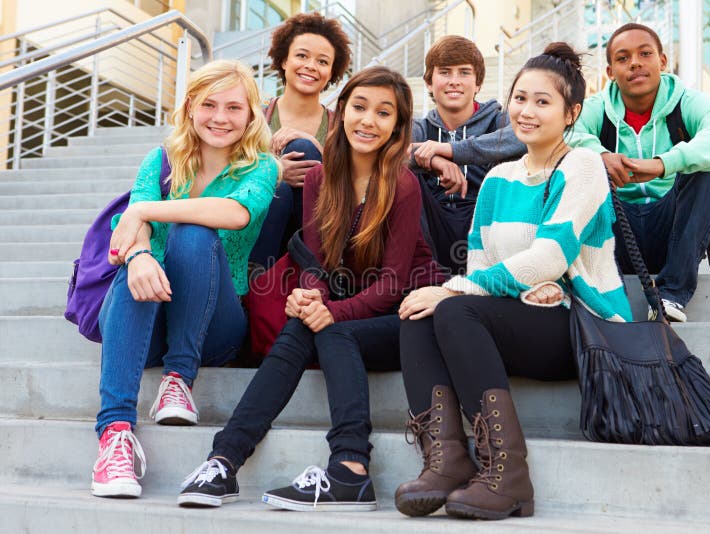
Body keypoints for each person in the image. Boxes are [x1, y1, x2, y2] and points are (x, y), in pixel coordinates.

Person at [178, 66, 445, 511]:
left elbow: (394, 283)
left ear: (398, 127)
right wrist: (310, 294)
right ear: (341, 113)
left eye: (384, 113)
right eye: (359, 107)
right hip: (346, 308)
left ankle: (351, 466)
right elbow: (316, 261)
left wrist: (333, 312)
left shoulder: (402, 183)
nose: (368, 121)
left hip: (405, 315)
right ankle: (224, 462)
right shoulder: (321, 179)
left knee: (329, 329)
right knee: (303, 324)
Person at [395, 43, 633, 521]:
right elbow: (484, 267)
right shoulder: (499, 178)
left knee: (453, 303)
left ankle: (508, 475)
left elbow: (550, 255)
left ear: (572, 113)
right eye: (520, 99)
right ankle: (446, 460)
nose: (526, 111)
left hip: (584, 327)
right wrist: (512, 288)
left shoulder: (582, 167)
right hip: (525, 315)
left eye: (543, 102)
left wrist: (458, 288)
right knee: (419, 315)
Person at [90, 60, 279, 499]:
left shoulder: (261, 168)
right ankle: (115, 436)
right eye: (209, 104)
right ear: (190, 107)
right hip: (146, 313)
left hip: (216, 323)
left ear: (252, 114)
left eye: (234, 107)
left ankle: (179, 379)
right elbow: (124, 237)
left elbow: (234, 213)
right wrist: (137, 255)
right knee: (135, 269)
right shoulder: (160, 160)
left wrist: (143, 213)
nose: (220, 117)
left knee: (193, 234)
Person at [569, 22, 710, 322]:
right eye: (623, 58)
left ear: (662, 62)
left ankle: (671, 294)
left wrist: (664, 163)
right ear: (610, 72)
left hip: (671, 234)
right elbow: (563, 134)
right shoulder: (597, 108)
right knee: (578, 166)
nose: (635, 62)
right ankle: (593, 290)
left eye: (645, 53)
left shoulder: (685, 101)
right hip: (615, 237)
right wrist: (599, 155)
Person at [407, 35, 525, 274]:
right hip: (432, 222)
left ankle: (497, 274)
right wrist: (433, 160)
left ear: (478, 83)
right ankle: (426, 275)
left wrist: (452, 150)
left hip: (487, 217)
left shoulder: (498, 120)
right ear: (429, 83)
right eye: (445, 72)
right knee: (402, 176)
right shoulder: (420, 128)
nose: (454, 81)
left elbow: (522, 137)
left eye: (464, 73)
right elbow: (388, 153)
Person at [249, 11, 351, 267]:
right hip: (259, 232)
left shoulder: (342, 125)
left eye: (322, 61)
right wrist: (274, 170)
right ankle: (258, 286)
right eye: (302, 55)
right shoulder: (253, 118)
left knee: (303, 147)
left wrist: (315, 146)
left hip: (318, 234)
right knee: (279, 189)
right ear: (284, 60)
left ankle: (317, 277)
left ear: (332, 71)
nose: (310, 66)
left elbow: (354, 185)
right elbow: (227, 174)